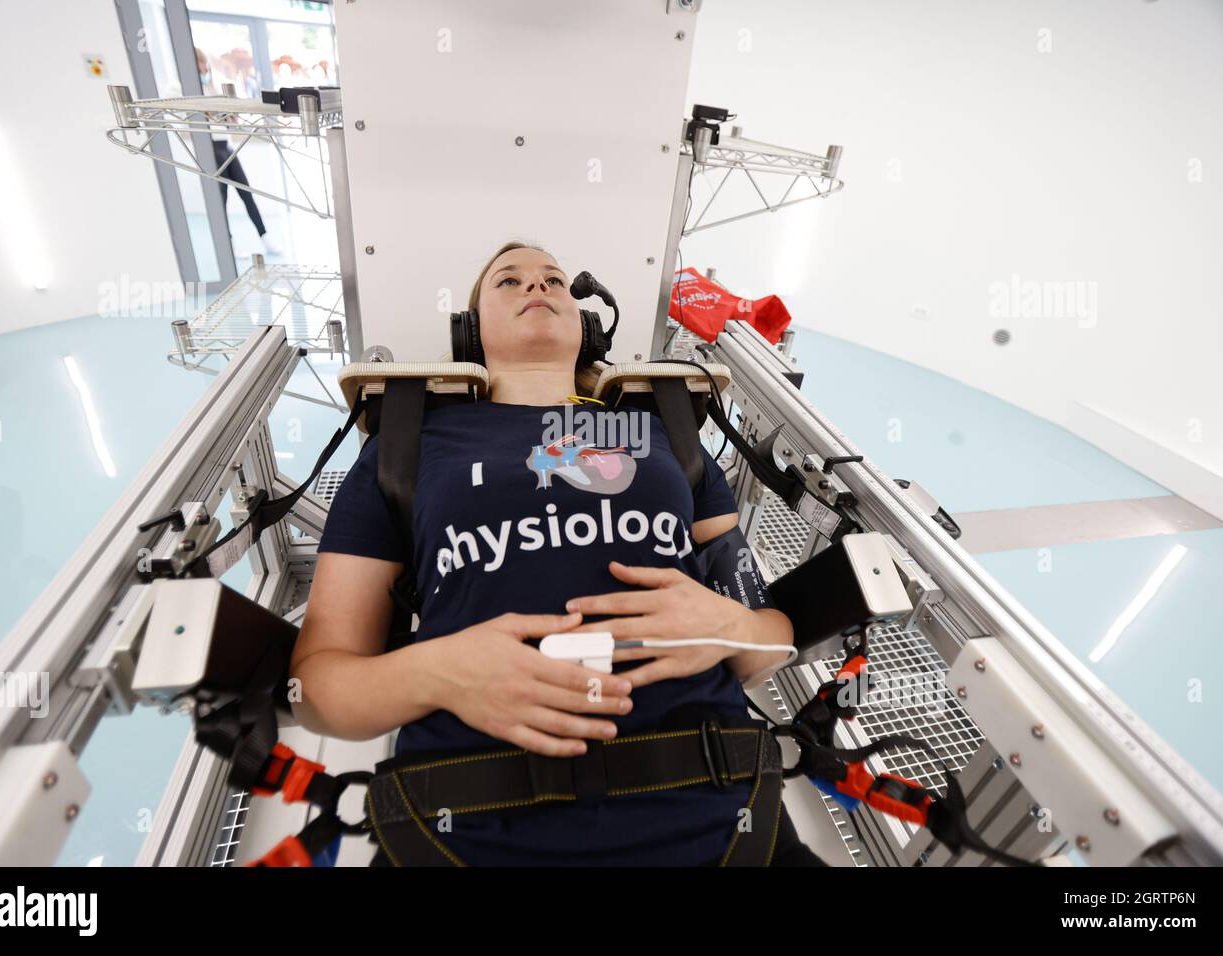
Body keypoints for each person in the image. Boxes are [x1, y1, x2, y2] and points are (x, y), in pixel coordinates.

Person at [291, 241, 825, 866]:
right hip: (464, 835)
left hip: (722, 821)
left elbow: (768, 633)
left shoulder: (664, 436)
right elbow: (315, 686)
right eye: (508, 281)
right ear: (472, 330)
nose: (537, 287)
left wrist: (734, 627)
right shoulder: (407, 446)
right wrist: (435, 670)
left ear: (585, 324)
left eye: (555, 280)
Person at [195, 48, 279, 256]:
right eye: (201, 66)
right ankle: (228, 245)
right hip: (210, 149)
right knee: (220, 201)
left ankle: (266, 238)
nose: (204, 70)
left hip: (226, 147)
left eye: (205, 66)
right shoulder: (189, 90)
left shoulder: (213, 86)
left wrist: (228, 116)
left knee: (247, 194)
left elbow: (228, 115)